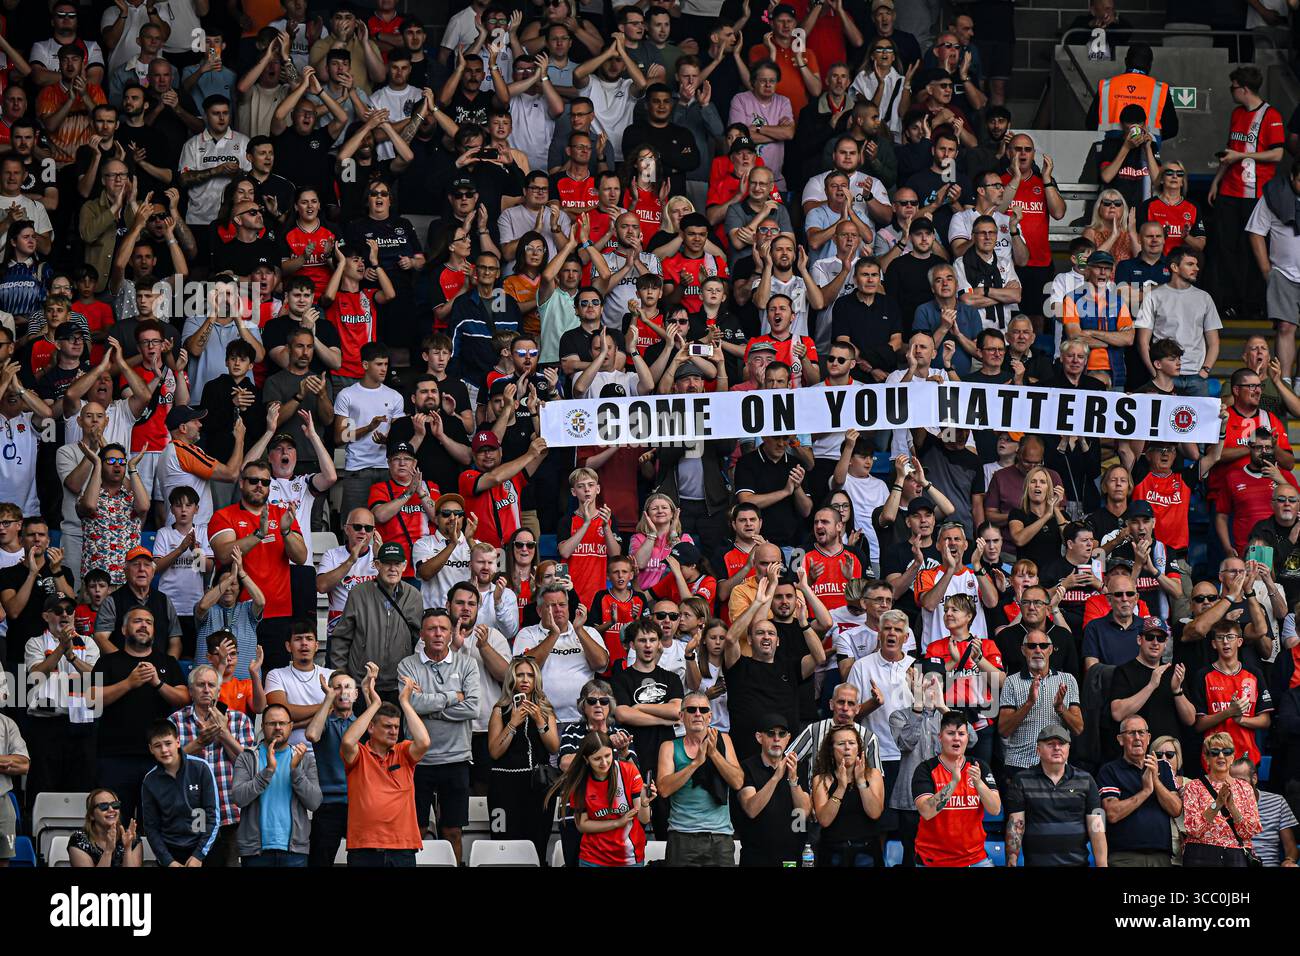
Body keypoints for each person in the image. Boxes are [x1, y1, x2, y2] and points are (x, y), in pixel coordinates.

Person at [88, 606, 189, 823]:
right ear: (124, 629)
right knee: (113, 825)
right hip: (115, 758)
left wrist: (158, 683)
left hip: (158, 759)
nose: (143, 625)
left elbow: (184, 698)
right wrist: (128, 683)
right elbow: (91, 699)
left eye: (149, 622)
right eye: (137, 621)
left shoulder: (167, 662)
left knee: (157, 825)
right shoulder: (108, 662)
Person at [398, 607, 481, 862]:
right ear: (422, 634)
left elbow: (473, 707)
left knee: (453, 831)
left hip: (456, 759)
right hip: (417, 760)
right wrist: (450, 698)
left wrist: (428, 707)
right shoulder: (407, 665)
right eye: (432, 628)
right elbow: (410, 705)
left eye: (443, 628)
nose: (437, 633)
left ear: (451, 633)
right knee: (418, 830)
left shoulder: (467, 663)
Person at [340, 665, 430, 867]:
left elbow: (424, 742)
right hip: (364, 849)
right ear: (371, 727)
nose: (393, 731)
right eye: (387, 726)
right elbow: (347, 742)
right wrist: (374, 704)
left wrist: (405, 702)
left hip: (402, 848)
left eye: (396, 727)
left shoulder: (403, 752)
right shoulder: (359, 754)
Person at [169, 662, 256, 867]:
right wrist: (198, 744)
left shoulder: (239, 720)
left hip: (230, 811)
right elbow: (168, 765)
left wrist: (224, 734)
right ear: (190, 691)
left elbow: (250, 767)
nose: (206, 689)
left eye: (211, 685)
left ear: (219, 690)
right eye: (200, 685)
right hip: (192, 813)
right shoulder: (175, 721)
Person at [486, 655, 561, 864]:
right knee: (504, 845)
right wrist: (513, 723)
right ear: (512, 678)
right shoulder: (500, 710)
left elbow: (554, 747)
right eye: (520, 675)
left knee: (537, 845)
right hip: (505, 786)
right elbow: (494, 752)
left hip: (538, 786)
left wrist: (539, 721)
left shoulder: (545, 710)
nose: (525, 680)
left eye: (530, 675)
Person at [329, 542, 423, 705]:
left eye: (397, 563)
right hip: (363, 683)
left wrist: (417, 677)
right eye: (387, 563)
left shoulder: (414, 596)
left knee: (393, 730)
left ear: (404, 566)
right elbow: (341, 639)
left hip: (400, 685)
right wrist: (342, 678)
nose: (392, 568)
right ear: (377, 565)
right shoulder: (358, 594)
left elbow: (419, 641)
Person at [656, 689, 743, 866]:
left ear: (709, 717)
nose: (698, 714)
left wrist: (714, 755)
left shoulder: (724, 740)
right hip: (682, 836)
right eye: (691, 710)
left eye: (703, 710)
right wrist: (696, 763)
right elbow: (663, 789)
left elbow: (738, 782)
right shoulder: (669, 746)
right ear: (681, 716)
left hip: (720, 837)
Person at [230, 702, 322, 867]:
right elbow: (238, 798)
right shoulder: (247, 757)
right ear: (263, 727)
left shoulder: (304, 758)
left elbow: (314, 802)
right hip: (255, 851)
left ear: (291, 726)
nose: (278, 727)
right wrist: (268, 771)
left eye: (282, 723)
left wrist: (295, 771)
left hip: (295, 852)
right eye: (272, 723)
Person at [547, 729, 653, 868]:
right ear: (586, 759)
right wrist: (617, 823)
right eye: (597, 758)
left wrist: (645, 804)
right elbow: (582, 825)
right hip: (592, 859)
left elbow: (644, 819)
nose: (604, 762)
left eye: (608, 755)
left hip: (629, 858)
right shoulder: (579, 781)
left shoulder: (628, 771)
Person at [1006, 725, 1107, 867]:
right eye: (1050, 744)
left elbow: (1097, 828)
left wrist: (1102, 865)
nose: (1057, 748)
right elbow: (1016, 824)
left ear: (1068, 748)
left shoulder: (1087, 780)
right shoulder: (1021, 780)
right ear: (1038, 750)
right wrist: (1011, 860)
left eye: (1061, 743)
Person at [1177, 619, 1274, 766]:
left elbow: (1265, 720)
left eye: (1230, 637)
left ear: (1240, 641)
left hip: (1246, 758)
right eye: (1220, 638)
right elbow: (1198, 724)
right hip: (1214, 758)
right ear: (1214, 644)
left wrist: (1241, 720)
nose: (1225, 642)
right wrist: (1228, 712)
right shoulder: (1203, 675)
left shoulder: (1254, 674)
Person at [911, 709, 1001, 867]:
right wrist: (953, 782)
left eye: (961, 733)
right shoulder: (926, 769)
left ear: (968, 737)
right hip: (934, 861)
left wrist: (979, 783)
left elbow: (995, 809)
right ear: (940, 737)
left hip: (975, 859)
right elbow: (927, 811)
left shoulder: (979, 766)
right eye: (950, 733)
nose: (956, 738)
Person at [514, 584, 610, 723]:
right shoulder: (528, 634)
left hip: (583, 719)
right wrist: (554, 634)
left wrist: (579, 630)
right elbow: (526, 669)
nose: (558, 609)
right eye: (551, 606)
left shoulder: (587, 632)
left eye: (562, 604)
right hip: (542, 720)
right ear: (540, 611)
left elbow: (601, 664)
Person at [1097, 715, 1183, 867]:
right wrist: (1145, 791)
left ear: (1148, 738)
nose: (1137, 737)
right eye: (1131, 733)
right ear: (1120, 739)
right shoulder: (1110, 770)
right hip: (1125, 857)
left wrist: (1155, 781)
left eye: (1141, 733)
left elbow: (1176, 809)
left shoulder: (1163, 767)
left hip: (1161, 856)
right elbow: (1112, 814)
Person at [997, 629, 1083, 775]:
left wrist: (1060, 708)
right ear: (1023, 650)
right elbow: (1004, 730)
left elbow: (1078, 728)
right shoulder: (1011, 681)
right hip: (1019, 764)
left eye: (1043, 646)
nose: (1038, 650)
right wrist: (1029, 703)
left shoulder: (1068, 680)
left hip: (1056, 765)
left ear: (1050, 649)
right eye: (1031, 646)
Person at [139, 719, 219, 866]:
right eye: (158, 746)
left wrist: (199, 855)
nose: (164, 750)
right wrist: (168, 861)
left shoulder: (201, 768)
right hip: (170, 853)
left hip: (201, 851)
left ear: (177, 742)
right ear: (151, 749)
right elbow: (151, 827)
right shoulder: (149, 781)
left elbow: (212, 815)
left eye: (168, 743)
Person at [1181, 733, 1262, 867]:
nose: (1221, 756)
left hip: (1236, 855)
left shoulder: (1245, 788)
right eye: (1214, 752)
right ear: (1206, 758)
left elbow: (1250, 831)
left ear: (1233, 756)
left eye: (1226, 752)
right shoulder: (1193, 786)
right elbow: (1193, 829)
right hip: (1201, 855)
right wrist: (1217, 803)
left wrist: (1232, 808)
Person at [304, 670, 358, 868]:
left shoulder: (363, 724)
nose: (342, 692)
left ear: (356, 694)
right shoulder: (324, 722)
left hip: (358, 804)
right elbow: (311, 735)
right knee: (320, 861)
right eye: (337, 687)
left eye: (348, 687)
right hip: (328, 804)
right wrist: (327, 700)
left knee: (362, 860)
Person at [1229, 757, 1298, 866]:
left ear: (1254, 779)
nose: (1238, 787)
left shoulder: (1277, 802)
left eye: (1242, 781)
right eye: (1233, 782)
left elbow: (1291, 847)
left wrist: (1289, 860)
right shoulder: (1225, 805)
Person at [67, 790, 143, 868]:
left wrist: (127, 849)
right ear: (91, 815)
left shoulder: (131, 837)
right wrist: (108, 851)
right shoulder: (79, 840)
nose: (111, 809)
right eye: (103, 806)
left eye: (115, 805)